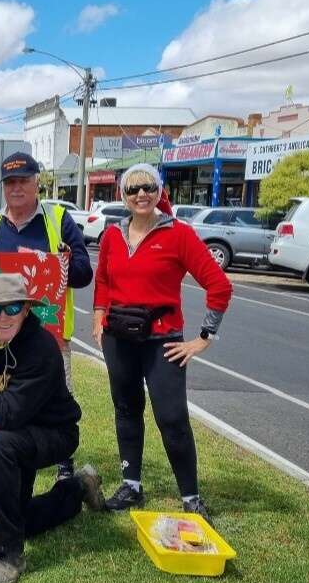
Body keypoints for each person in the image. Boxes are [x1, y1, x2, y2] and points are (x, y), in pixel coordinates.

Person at [0, 273, 106, 583]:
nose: (3, 316)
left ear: (27, 309)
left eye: (13, 307)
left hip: (54, 433)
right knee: (20, 520)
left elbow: (7, 413)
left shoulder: (41, 348)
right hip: (11, 434)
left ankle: (7, 556)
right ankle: (78, 487)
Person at [92, 163, 232, 522]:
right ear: (122, 195)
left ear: (159, 191)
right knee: (126, 410)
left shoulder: (178, 235)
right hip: (118, 339)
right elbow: (104, 279)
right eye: (133, 189)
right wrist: (98, 316)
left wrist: (203, 339)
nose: (141, 194)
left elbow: (219, 286)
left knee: (171, 418)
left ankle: (191, 496)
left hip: (163, 342)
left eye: (148, 187)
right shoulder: (112, 235)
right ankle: (131, 486)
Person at [0, 151, 93, 481]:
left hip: (49, 334)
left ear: (37, 183)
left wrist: (58, 263)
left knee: (56, 400)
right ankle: (11, 451)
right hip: (1, 331)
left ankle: (64, 464)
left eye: (23, 180)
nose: (17, 188)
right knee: (8, 398)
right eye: (10, 182)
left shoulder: (59, 220)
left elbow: (84, 272)